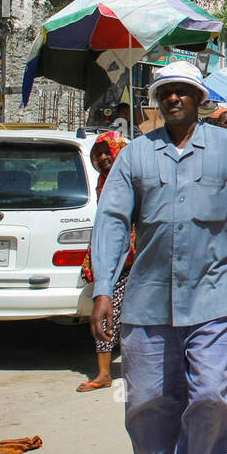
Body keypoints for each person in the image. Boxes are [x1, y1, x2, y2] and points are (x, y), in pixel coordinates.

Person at [90, 59, 227, 454]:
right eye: (165, 92)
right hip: (149, 298)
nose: (174, 98)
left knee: (210, 394)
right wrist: (104, 288)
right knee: (148, 399)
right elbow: (110, 221)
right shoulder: (134, 156)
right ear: (157, 100)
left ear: (199, 100)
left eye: (183, 91)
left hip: (216, 293)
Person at [77, 131, 135, 392]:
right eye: (98, 154)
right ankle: (103, 372)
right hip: (113, 259)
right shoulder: (102, 181)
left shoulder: (129, 180)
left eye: (106, 152)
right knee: (106, 311)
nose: (102, 158)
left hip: (133, 256)